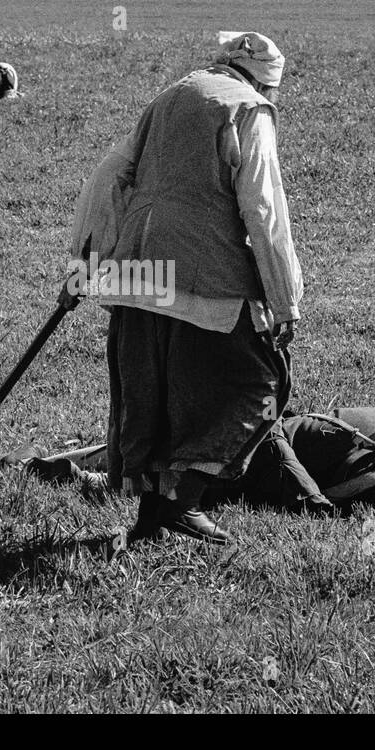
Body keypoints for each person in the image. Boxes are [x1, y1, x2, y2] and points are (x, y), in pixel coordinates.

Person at [68, 31, 303, 546]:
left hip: (133, 270)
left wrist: (84, 263)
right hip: (200, 273)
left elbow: (108, 176)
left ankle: (157, 511)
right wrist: (285, 299)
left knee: (156, 395)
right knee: (256, 387)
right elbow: (263, 209)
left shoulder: (168, 97)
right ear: (266, 82)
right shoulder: (250, 109)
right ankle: (178, 503)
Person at [0, 407, 375, 515]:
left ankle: (58, 461)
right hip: (265, 452)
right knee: (193, 484)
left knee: (165, 452)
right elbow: (327, 499)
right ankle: (86, 478)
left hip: (263, 424)